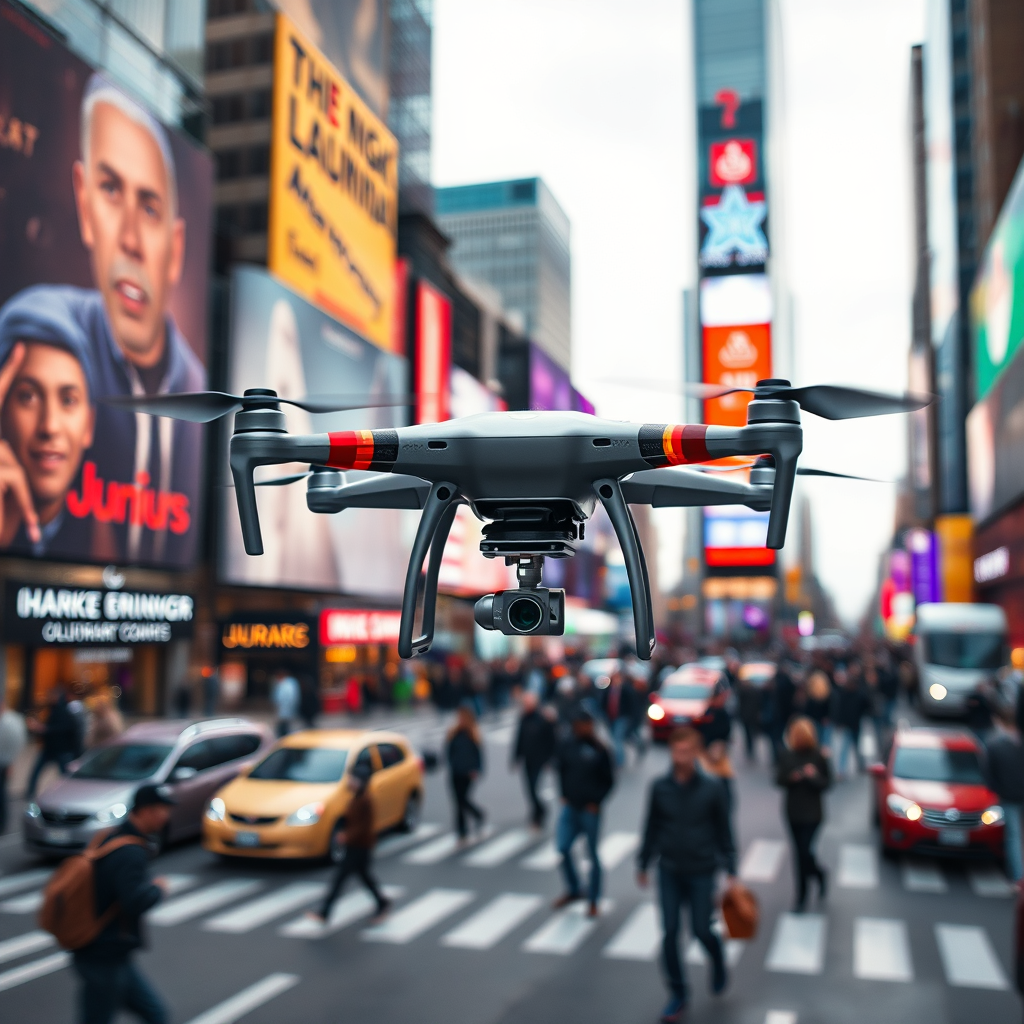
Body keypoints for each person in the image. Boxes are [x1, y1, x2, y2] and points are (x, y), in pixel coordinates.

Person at [0, 74, 205, 566]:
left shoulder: (199, 389)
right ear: (85, 205)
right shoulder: (50, 326)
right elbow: (31, 323)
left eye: (150, 208)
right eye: (111, 190)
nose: (130, 239)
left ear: (175, 249)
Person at [637, 725, 736, 1022]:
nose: (681, 756)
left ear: (695, 752)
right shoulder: (659, 787)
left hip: (701, 869)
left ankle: (717, 959)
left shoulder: (713, 787)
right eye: (677, 750)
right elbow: (651, 825)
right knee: (669, 934)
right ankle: (678, 994)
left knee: (701, 930)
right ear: (671, 751)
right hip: (668, 869)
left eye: (687, 750)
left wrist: (731, 869)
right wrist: (643, 863)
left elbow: (724, 830)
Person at [0, 303, 97, 556]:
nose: (50, 426)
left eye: (68, 400)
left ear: (89, 424)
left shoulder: (112, 540)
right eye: (28, 397)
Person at [72, 783, 174, 1024]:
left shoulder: (110, 836)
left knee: (154, 1013)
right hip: (104, 953)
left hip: (100, 949)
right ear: (147, 811)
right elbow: (134, 901)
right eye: (163, 809)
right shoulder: (130, 851)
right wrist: (158, 889)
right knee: (148, 1014)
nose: (167, 815)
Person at [309, 763, 390, 923]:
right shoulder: (357, 797)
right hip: (357, 846)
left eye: (353, 779)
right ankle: (382, 902)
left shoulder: (365, 800)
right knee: (364, 878)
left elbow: (363, 827)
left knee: (340, 879)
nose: (350, 782)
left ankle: (325, 912)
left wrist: (346, 836)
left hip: (359, 847)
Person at [553, 708, 615, 917]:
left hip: (590, 809)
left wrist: (596, 801)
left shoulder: (599, 749)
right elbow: (560, 769)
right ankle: (574, 888)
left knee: (591, 854)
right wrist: (563, 793)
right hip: (571, 806)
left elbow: (609, 780)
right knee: (563, 847)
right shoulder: (567, 745)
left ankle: (594, 898)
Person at [776, 717, 831, 912]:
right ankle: (803, 893)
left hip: (813, 814)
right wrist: (794, 777)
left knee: (805, 852)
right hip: (793, 812)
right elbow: (779, 780)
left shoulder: (818, 756)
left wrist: (813, 776)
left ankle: (816, 877)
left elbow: (827, 784)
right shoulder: (787, 756)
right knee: (798, 854)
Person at [985, 710, 1024, 882]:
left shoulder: (995, 746)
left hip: (1008, 797)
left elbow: (989, 776)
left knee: (1013, 838)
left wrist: (998, 790)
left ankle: (1018, 878)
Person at [512, 691, 556, 828]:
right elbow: (520, 738)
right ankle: (538, 810)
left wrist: (549, 759)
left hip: (539, 759)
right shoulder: (524, 718)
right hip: (527, 759)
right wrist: (516, 757)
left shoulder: (543, 719)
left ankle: (539, 813)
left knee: (534, 788)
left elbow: (551, 740)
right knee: (529, 789)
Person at [27, 688, 80, 797]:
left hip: (61, 749)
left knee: (65, 775)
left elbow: (66, 728)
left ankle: (69, 793)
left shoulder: (63, 711)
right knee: (37, 771)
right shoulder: (53, 709)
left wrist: (46, 729)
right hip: (51, 748)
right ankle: (30, 792)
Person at [447, 705, 485, 842]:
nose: (460, 720)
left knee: (463, 800)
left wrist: (477, 769)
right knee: (457, 802)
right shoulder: (453, 733)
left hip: (468, 773)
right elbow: (449, 751)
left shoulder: (473, 734)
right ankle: (462, 832)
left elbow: (478, 755)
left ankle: (478, 814)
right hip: (455, 772)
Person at [0, 706, 27, 833]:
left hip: (3, 763)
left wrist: (10, 761)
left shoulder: (8, 723)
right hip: (6, 762)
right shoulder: (15, 720)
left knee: (2, 794)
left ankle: (2, 824)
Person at [272, 670, 300, 738]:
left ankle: (284, 737)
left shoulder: (287, 685)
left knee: (284, 725)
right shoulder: (286, 684)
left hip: (285, 709)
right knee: (284, 725)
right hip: (284, 709)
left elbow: (290, 698)